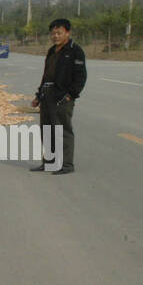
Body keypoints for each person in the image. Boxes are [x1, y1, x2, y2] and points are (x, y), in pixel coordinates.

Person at [30, 18, 87, 174]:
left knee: (62, 130)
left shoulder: (75, 51)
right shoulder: (51, 51)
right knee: (46, 130)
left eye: (59, 33)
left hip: (62, 97)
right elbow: (46, 76)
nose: (55, 36)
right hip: (47, 95)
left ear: (67, 33)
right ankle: (49, 162)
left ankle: (67, 165)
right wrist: (38, 96)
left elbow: (81, 77)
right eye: (53, 33)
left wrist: (70, 95)